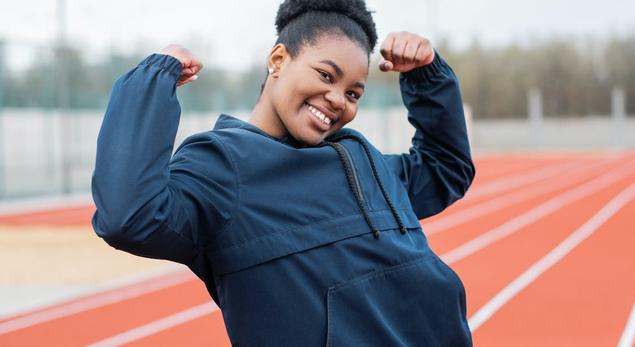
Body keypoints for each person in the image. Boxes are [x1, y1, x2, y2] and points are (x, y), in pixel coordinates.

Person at [91, 0, 475, 345]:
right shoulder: (221, 167)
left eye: (354, 93)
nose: (338, 100)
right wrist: (154, 76)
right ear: (278, 60)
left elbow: (445, 170)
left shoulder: (364, 160)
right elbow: (129, 217)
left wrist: (427, 75)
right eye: (326, 75)